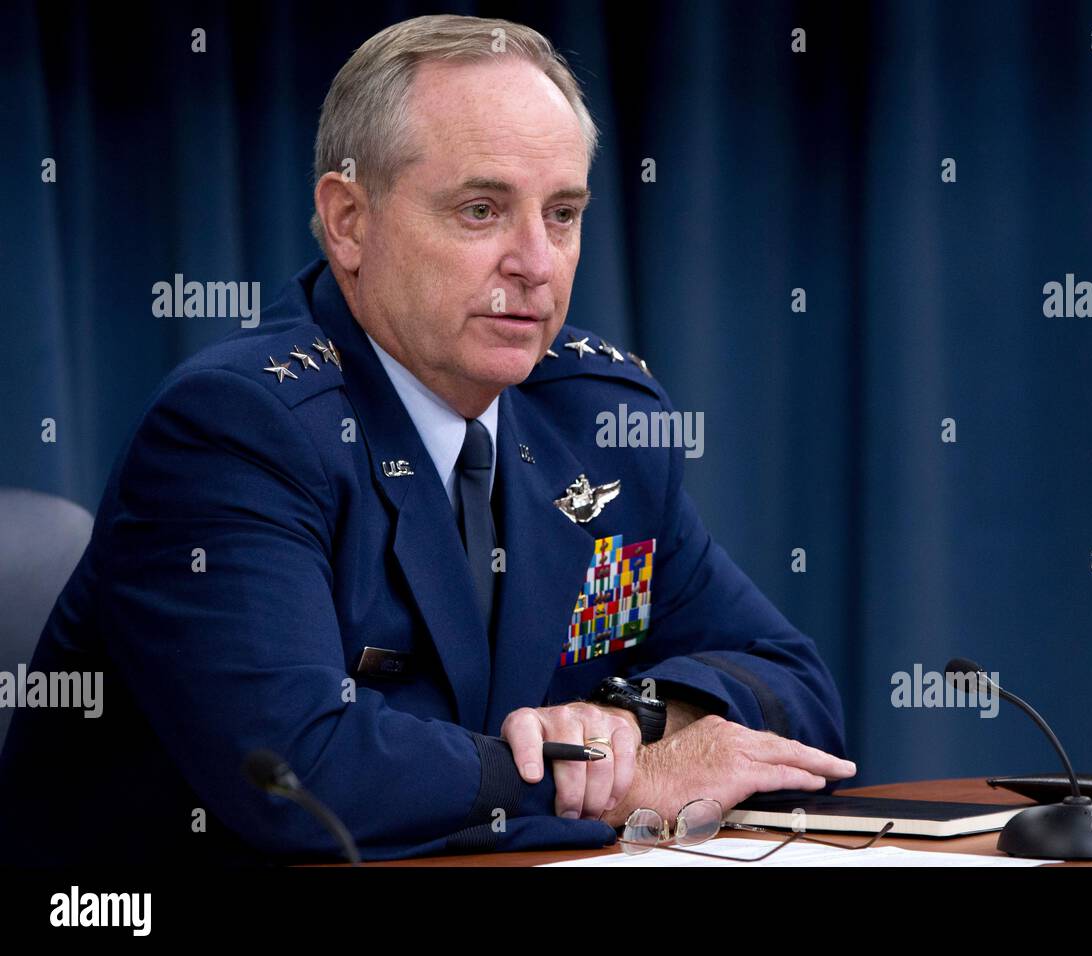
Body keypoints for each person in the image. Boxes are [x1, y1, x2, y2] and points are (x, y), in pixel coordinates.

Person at [0, 14, 853, 864]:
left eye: (563, 214)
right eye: (482, 210)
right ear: (348, 222)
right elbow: (305, 771)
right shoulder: (236, 433)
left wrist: (635, 720)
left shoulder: (597, 419)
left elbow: (795, 685)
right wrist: (601, 777)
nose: (537, 262)